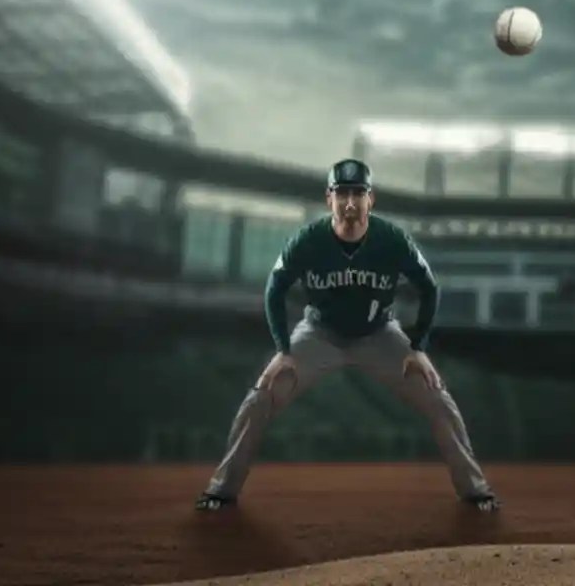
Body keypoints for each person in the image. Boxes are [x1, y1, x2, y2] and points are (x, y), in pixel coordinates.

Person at [194, 158, 499, 513]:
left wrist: (418, 348)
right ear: (329, 199)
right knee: (261, 396)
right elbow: (274, 289)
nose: (350, 201)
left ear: (371, 199)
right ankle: (222, 489)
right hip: (319, 334)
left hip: (380, 335)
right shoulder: (309, 240)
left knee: (438, 399)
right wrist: (283, 349)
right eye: (342, 193)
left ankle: (475, 490)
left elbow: (428, 287)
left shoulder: (391, 239)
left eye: (358, 192)